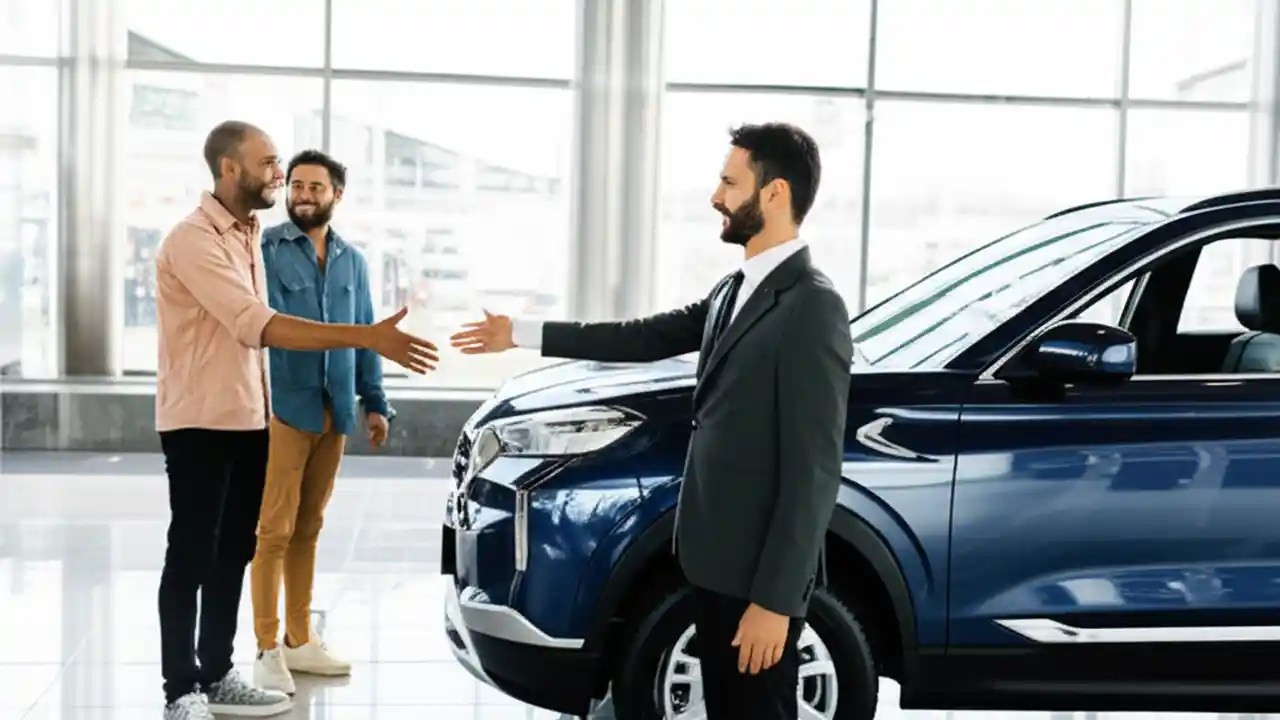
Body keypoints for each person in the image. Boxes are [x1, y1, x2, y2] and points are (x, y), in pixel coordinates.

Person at [450, 122, 852, 718]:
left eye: (729, 182)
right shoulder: (737, 288)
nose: (716, 196)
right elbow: (645, 336)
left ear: (774, 194)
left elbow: (814, 470)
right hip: (714, 561)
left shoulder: (812, 306)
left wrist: (776, 602)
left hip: (756, 581)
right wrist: (523, 334)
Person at [154, 121, 436, 720]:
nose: (279, 177)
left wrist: (370, 393)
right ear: (230, 169)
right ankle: (181, 689)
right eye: (270, 164)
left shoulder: (247, 235)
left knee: (233, 552)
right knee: (192, 555)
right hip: (201, 422)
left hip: (250, 418)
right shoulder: (194, 239)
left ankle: (218, 672)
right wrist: (368, 336)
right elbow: (258, 324)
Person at [250, 149, 387, 693]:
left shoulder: (353, 261)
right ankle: (265, 648)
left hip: (336, 408)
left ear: (336, 195)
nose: (303, 195)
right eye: (297, 186)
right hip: (284, 407)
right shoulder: (265, 250)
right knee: (273, 532)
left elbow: (367, 332)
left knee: (309, 528)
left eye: (316, 187)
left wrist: (374, 402)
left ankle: (299, 640)